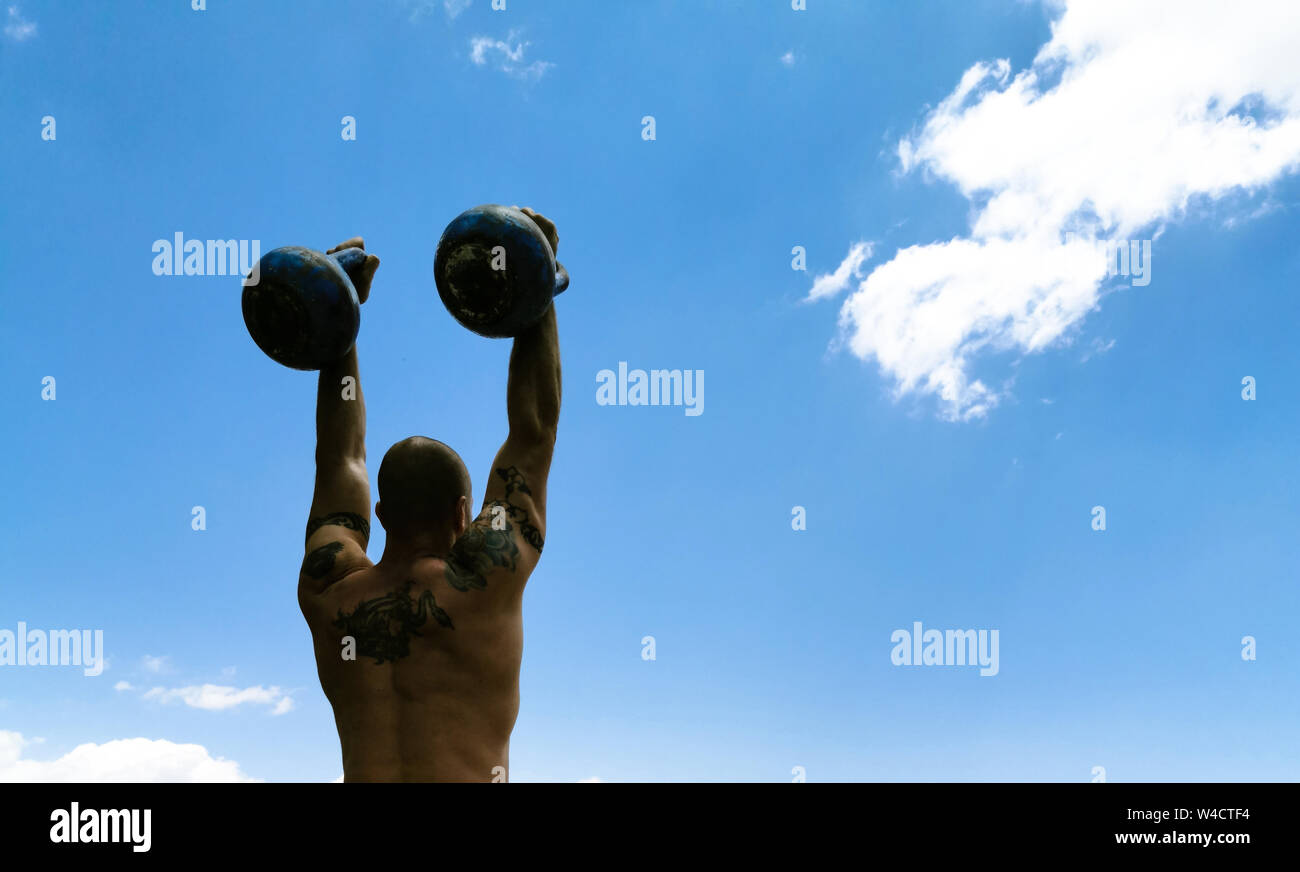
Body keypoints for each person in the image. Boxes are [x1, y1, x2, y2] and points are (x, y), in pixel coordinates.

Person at [295, 209, 562, 782]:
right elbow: (533, 432)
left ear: (382, 514)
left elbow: (340, 463)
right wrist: (536, 286)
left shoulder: (330, 590)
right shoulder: (486, 584)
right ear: (466, 515)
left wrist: (341, 311)